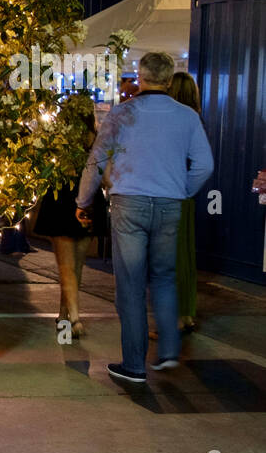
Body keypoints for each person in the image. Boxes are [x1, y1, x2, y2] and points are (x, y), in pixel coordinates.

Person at [75, 52, 214, 385]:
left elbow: (96, 160)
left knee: (131, 285)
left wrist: (83, 200)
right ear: (169, 79)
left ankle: (134, 365)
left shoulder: (121, 114)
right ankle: (167, 351)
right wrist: (181, 189)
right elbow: (205, 165)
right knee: (164, 277)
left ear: (140, 77)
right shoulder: (188, 117)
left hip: (129, 204)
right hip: (169, 205)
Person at [34, 96, 107, 337]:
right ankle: (64, 315)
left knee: (66, 267)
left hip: (61, 200)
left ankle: (73, 319)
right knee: (77, 265)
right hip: (88, 202)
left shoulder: (57, 141)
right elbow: (104, 175)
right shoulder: (95, 141)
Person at [169, 72, 203, 332]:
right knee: (187, 258)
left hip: (171, 194)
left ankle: (177, 318)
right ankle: (187, 313)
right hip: (187, 197)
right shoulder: (196, 121)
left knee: (171, 259)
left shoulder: (175, 121)